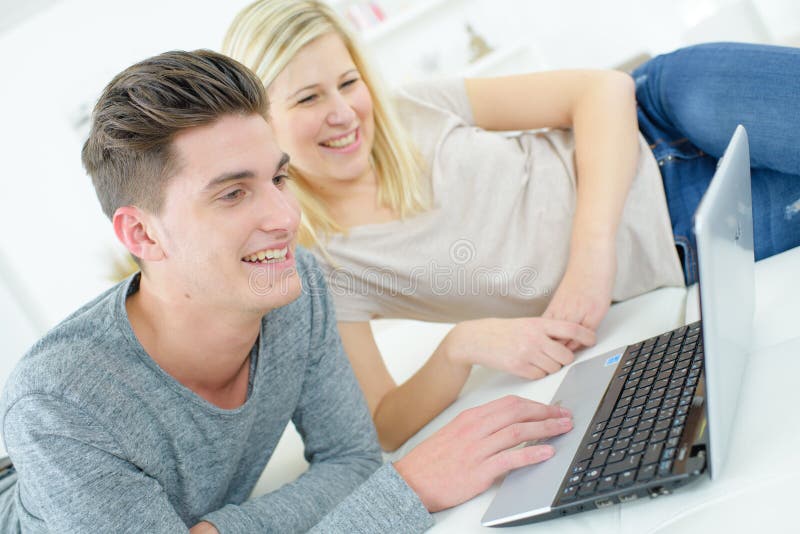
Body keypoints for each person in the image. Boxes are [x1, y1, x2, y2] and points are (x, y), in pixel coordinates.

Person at [0, 50, 574, 533]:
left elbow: (350, 462)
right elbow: (377, 479)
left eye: (278, 178)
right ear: (142, 233)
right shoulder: (59, 406)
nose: (285, 217)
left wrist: (221, 529)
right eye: (232, 194)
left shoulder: (296, 289)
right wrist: (412, 487)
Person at [222, 0, 800, 451]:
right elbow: (386, 424)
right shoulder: (324, 265)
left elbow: (603, 88)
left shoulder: (411, 108)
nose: (344, 113)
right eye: (307, 98)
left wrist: (590, 253)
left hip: (663, 108)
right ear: (258, 120)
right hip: (686, 235)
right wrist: (460, 346)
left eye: (348, 83)